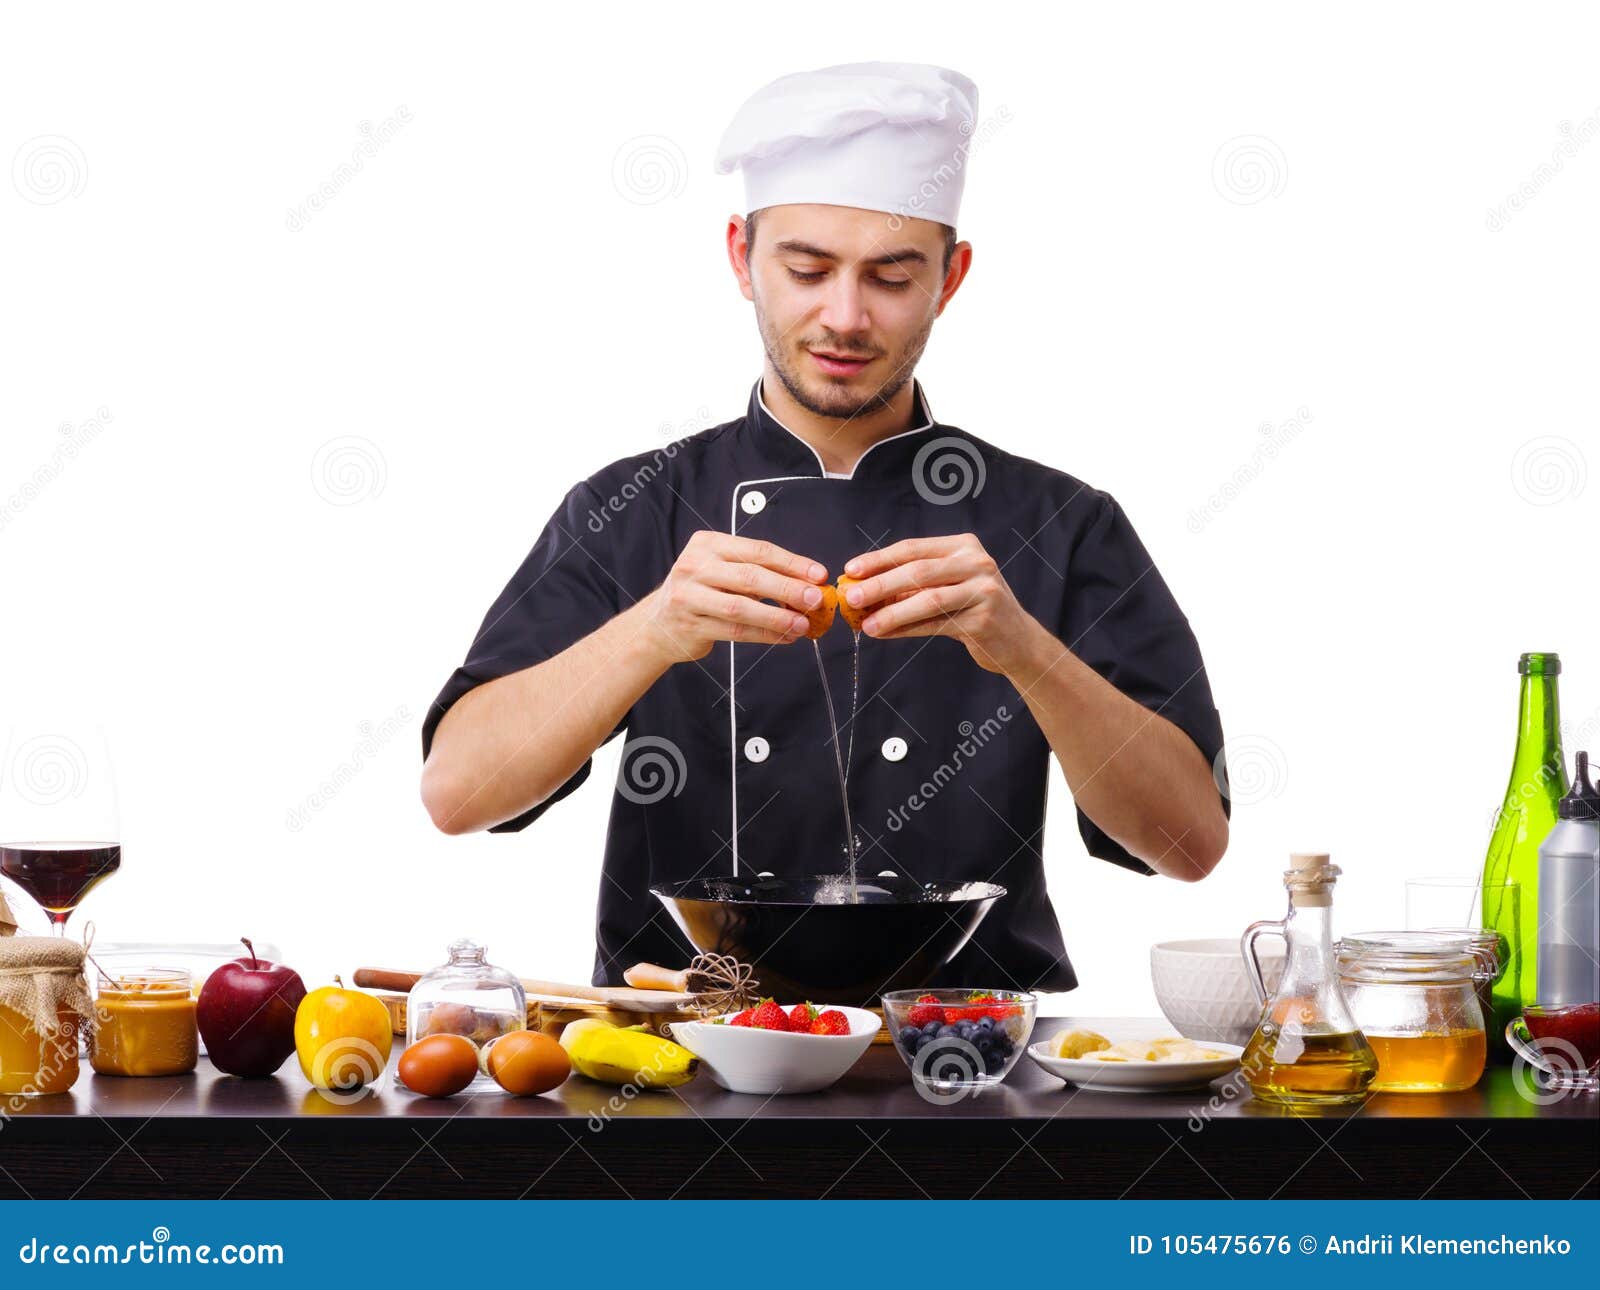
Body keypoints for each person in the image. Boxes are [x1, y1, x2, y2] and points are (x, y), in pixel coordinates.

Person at [421, 62, 1229, 990]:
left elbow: (1190, 843)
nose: (843, 318)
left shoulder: (1061, 521)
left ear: (950, 278)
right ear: (740, 258)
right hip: (676, 1065)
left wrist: (1023, 648)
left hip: (968, 1071)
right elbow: (458, 794)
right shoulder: (634, 507)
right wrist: (655, 631)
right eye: (806, 270)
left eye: (891, 277)